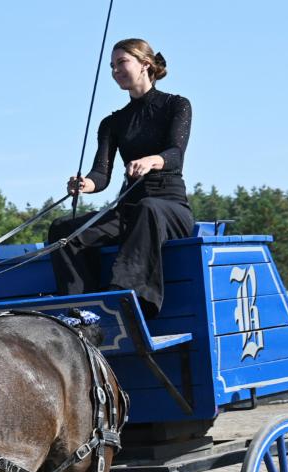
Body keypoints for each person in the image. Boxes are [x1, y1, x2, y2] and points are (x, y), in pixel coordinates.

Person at [47, 37, 193, 319]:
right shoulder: (112, 123)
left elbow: (176, 152)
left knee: (147, 209)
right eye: (112, 66)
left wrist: (153, 160)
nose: (115, 71)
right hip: (130, 211)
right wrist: (85, 184)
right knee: (63, 230)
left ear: (145, 64)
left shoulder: (177, 105)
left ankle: (128, 300)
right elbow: (101, 173)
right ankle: (79, 313)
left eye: (121, 63)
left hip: (169, 208)